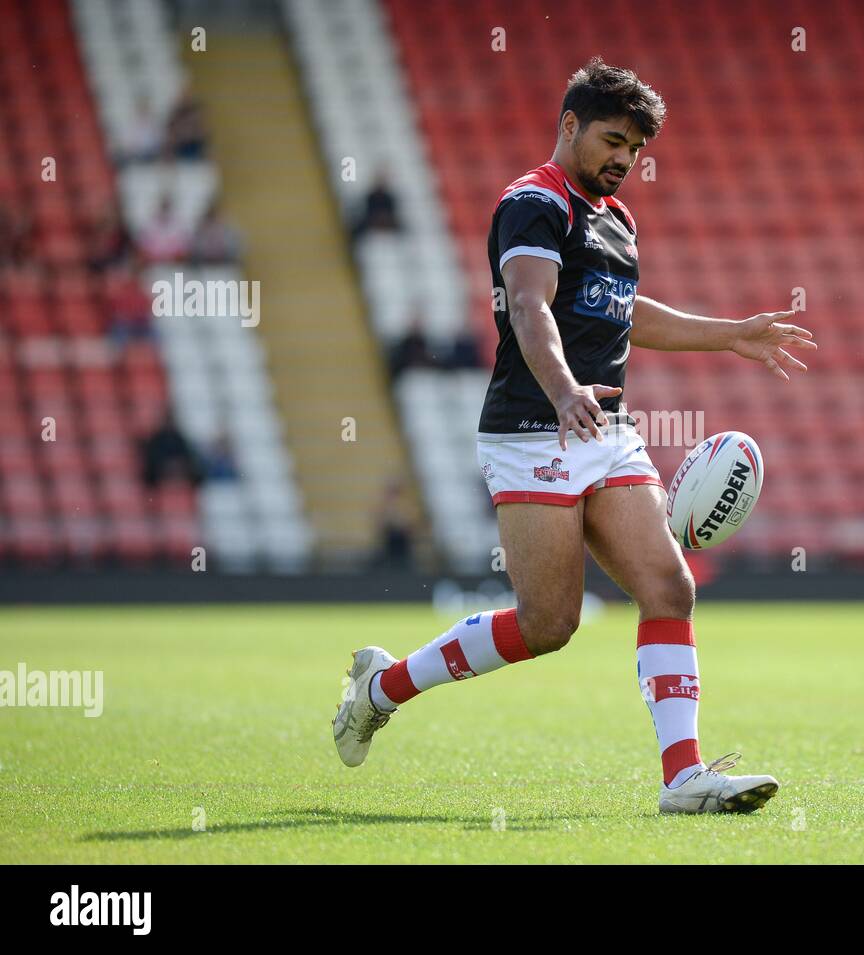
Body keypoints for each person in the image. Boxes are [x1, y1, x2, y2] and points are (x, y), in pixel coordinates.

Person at [332, 58, 817, 815]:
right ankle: (383, 684)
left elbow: (626, 312)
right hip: (531, 431)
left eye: (637, 150)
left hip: (606, 430)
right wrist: (563, 393)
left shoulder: (618, 221)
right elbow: (530, 306)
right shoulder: (533, 203)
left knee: (669, 586)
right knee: (547, 624)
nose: (625, 159)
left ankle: (682, 776)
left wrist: (731, 334)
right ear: (570, 126)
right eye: (614, 140)